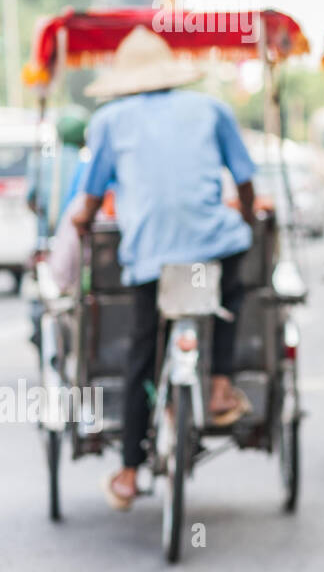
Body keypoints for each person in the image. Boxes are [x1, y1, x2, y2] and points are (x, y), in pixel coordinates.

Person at [70, 27, 257, 511]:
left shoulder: (110, 120)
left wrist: (82, 219)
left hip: (151, 258)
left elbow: (89, 199)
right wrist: (250, 218)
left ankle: (129, 471)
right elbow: (245, 179)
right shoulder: (211, 109)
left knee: (141, 353)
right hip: (213, 246)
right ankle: (219, 387)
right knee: (227, 297)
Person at [26, 107, 88, 238]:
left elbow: (30, 201)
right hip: (76, 237)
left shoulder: (38, 161)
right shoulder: (85, 164)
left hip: (46, 236)